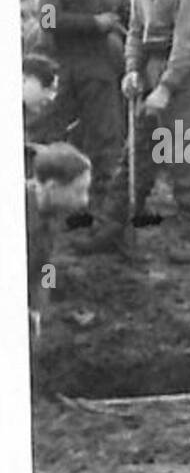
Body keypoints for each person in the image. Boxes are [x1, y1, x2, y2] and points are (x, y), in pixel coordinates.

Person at [82, 0, 190, 259]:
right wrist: (131, 70)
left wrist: (166, 89)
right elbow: (134, 32)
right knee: (137, 154)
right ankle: (112, 229)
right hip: (151, 70)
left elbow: (188, 43)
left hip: (187, 77)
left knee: (187, 156)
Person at [34, 0, 131, 215]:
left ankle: (95, 209)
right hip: (61, 66)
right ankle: (36, 199)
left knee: (106, 140)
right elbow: (46, 18)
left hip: (101, 69)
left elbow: (129, 20)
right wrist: (92, 23)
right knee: (46, 134)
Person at [27, 142, 93, 343]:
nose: (85, 201)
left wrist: (43, 309)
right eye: (78, 191)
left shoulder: (51, 211)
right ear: (53, 187)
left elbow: (46, 265)